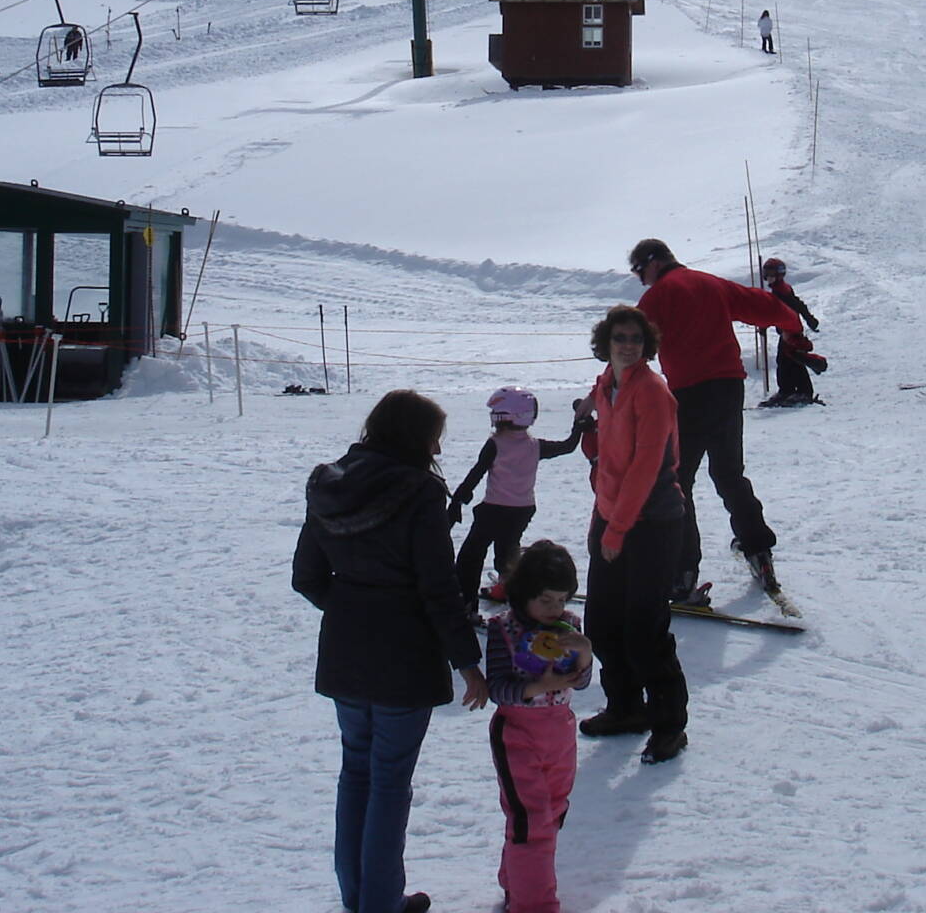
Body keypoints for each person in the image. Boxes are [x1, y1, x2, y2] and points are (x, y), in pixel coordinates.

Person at [292, 389, 489, 913]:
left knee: (356, 770)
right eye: (434, 439)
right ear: (416, 438)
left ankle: (358, 897)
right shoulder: (420, 492)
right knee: (389, 780)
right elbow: (438, 588)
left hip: (346, 651)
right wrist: (468, 662)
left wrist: (355, 609)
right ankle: (380, 903)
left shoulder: (328, 484)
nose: (439, 452)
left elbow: (306, 577)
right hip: (404, 657)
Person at [629, 238, 801, 600]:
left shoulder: (656, 299)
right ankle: (759, 551)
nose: (642, 280)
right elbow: (765, 305)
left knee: (678, 481)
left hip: (688, 394)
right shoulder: (711, 283)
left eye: (640, 272)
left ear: (652, 262)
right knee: (728, 472)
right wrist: (791, 325)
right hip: (728, 388)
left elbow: (631, 350)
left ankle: (682, 571)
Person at [575, 303, 690, 766]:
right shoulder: (608, 384)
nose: (627, 346)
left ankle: (669, 726)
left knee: (644, 630)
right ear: (606, 343)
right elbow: (602, 406)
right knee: (603, 622)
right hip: (610, 514)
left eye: (635, 340)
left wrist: (618, 529)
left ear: (646, 347)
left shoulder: (652, 391)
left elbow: (646, 468)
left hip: (651, 522)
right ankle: (625, 708)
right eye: (620, 338)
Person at [483, 540, 593, 913]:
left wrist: (584, 653)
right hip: (517, 732)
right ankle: (535, 904)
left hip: (559, 730)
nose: (555, 610)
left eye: (561, 601)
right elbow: (497, 686)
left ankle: (518, 880)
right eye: (546, 600)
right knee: (530, 820)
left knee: (553, 811)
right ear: (524, 594)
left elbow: (582, 681)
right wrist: (535, 688)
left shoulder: (569, 628)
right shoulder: (504, 629)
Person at [448, 387, 588, 607]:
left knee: (471, 557)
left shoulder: (495, 444)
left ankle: (467, 604)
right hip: (522, 510)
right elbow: (568, 446)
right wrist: (579, 427)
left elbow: (475, 475)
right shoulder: (535, 446)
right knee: (506, 554)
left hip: (493, 509)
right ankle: (514, 595)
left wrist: (456, 502)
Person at [760, 257, 826, 406]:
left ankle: (802, 392)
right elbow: (798, 305)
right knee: (785, 361)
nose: (769, 277)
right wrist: (809, 319)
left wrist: (764, 323)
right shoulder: (781, 289)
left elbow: (781, 310)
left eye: (772, 273)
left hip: (790, 332)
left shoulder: (781, 292)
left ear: (780, 274)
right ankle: (787, 390)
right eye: (767, 273)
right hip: (786, 331)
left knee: (793, 362)